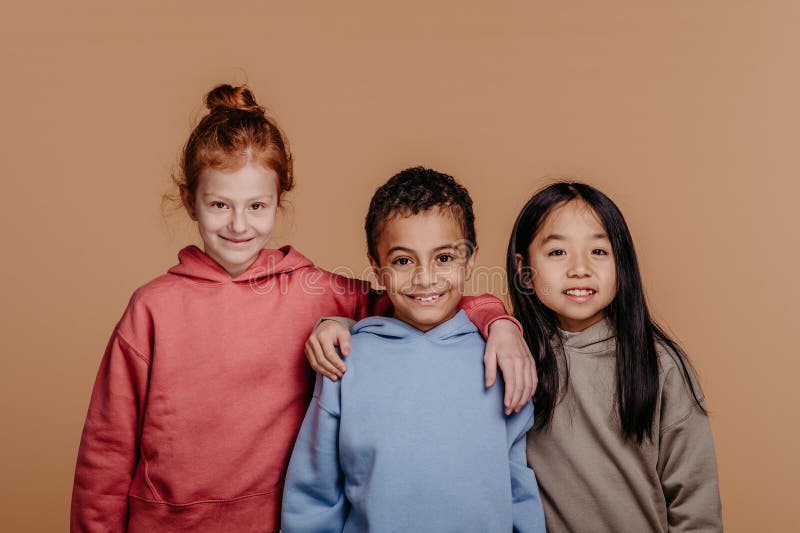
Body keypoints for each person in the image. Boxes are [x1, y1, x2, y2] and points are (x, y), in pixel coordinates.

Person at [70, 85, 533, 532]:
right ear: (190, 201)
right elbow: (106, 450)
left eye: (256, 205)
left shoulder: (313, 289)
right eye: (220, 204)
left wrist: (498, 321)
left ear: (279, 201)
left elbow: (421, 301)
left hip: (273, 521)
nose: (238, 224)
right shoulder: (152, 309)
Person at [282, 167, 546, 533]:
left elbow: (518, 488)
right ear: (377, 267)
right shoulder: (344, 362)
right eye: (403, 261)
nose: (425, 278)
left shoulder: (502, 358)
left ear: (470, 260)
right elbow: (314, 495)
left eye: (444, 258)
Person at [507, 182, 722, 532]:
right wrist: (498, 324)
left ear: (622, 264)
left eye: (599, 251)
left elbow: (695, 502)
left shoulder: (659, 363)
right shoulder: (514, 357)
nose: (580, 268)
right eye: (558, 252)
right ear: (525, 272)